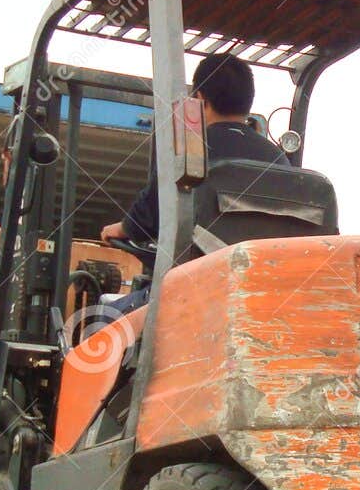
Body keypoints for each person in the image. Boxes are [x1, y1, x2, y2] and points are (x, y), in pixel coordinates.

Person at [94, 53, 285, 321]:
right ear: (248, 101)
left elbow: (149, 216)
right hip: (258, 296)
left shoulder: (190, 154)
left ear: (200, 100)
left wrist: (123, 229)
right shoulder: (278, 160)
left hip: (196, 293)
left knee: (103, 316)